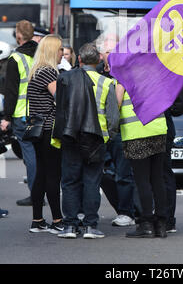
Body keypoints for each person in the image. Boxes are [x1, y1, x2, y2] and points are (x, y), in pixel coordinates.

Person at [53, 42, 119, 239]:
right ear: (99, 60)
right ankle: (91, 225)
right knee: (92, 181)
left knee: (70, 181)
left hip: (71, 136)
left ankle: (70, 225)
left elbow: (60, 107)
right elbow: (113, 118)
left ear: (79, 60)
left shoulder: (66, 78)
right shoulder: (107, 83)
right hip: (96, 139)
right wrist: (109, 137)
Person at [116, 83, 168, 238]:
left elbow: (117, 104)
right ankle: (161, 224)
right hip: (158, 129)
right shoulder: (153, 77)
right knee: (157, 179)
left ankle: (146, 224)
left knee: (142, 180)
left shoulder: (123, 79)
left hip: (136, 133)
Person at [98, 36, 138, 227]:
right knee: (104, 174)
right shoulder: (99, 73)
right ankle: (125, 209)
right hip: (102, 131)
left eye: (114, 50)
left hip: (122, 131)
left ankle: (126, 213)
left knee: (123, 174)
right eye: (107, 51)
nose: (110, 54)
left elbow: (118, 102)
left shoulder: (123, 73)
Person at [27, 34, 63, 233]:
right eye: (60, 49)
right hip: (49, 128)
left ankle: (37, 219)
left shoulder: (36, 71)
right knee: (52, 175)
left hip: (37, 130)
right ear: (52, 51)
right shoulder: (49, 73)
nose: (62, 53)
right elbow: (60, 98)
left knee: (41, 174)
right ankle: (57, 220)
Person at [0, 20, 38, 206]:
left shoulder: (15, 59)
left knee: (30, 156)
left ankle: (36, 194)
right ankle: (45, 191)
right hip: (41, 112)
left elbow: (11, 92)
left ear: (19, 36)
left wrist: (7, 117)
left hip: (22, 115)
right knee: (41, 155)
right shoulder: (40, 56)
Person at [164, 82, 183, 233]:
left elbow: (179, 105)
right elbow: (180, 105)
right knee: (161, 174)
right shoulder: (169, 70)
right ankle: (164, 220)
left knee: (160, 174)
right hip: (162, 128)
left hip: (157, 128)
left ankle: (161, 219)